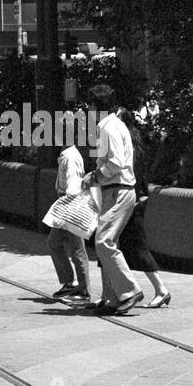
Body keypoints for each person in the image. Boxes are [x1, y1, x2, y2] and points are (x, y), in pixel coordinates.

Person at [81, 84, 141, 315]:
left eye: (90, 104)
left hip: (118, 190)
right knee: (108, 243)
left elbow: (116, 163)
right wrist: (95, 176)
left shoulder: (108, 127)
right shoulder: (113, 125)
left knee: (103, 242)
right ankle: (112, 298)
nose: (87, 108)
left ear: (97, 107)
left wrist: (95, 175)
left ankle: (130, 290)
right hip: (116, 189)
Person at [117, 110, 170, 308]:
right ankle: (114, 292)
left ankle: (161, 290)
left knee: (137, 247)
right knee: (119, 246)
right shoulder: (133, 145)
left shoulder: (129, 146)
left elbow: (135, 176)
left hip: (132, 202)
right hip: (134, 200)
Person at [47, 139, 91, 302]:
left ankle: (84, 290)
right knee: (54, 243)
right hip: (67, 202)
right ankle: (69, 283)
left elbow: (73, 184)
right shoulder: (67, 154)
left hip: (71, 204)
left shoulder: (70, 157)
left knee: (77, 249)